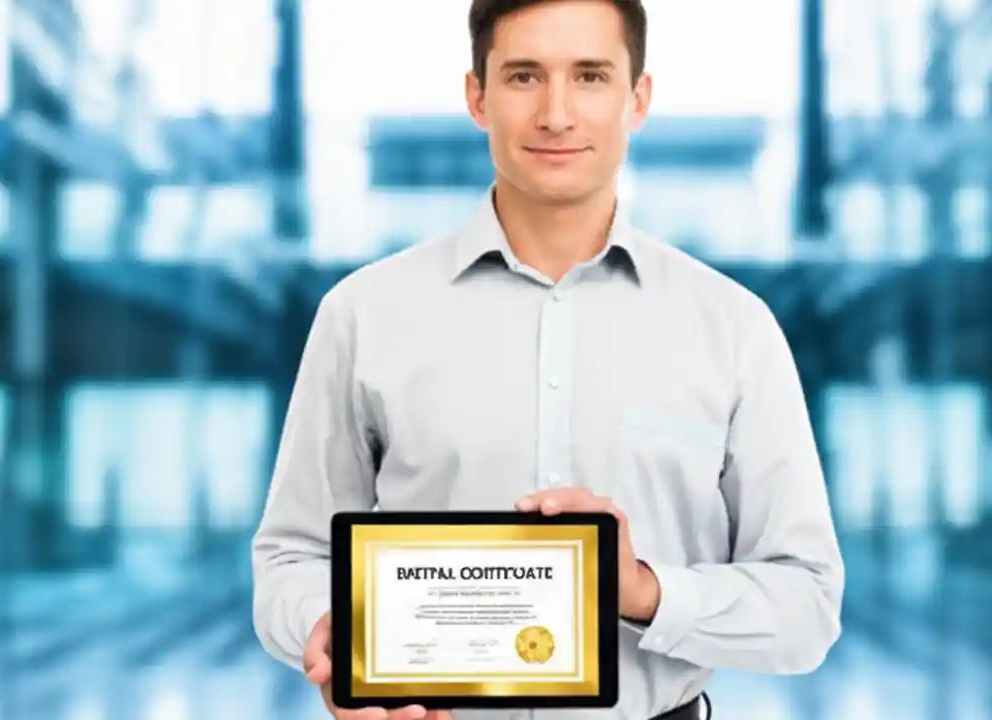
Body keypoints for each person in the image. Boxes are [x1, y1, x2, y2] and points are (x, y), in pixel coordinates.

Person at [251, 1, 845, 718]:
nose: (557, 114)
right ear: (477, 96)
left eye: (590, 76)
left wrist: (644, 591)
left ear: (638, 98)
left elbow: (807, 602)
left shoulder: (733, 328)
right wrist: (335, 635)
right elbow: (291, 560)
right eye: (524, 76)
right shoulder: (364, 315)